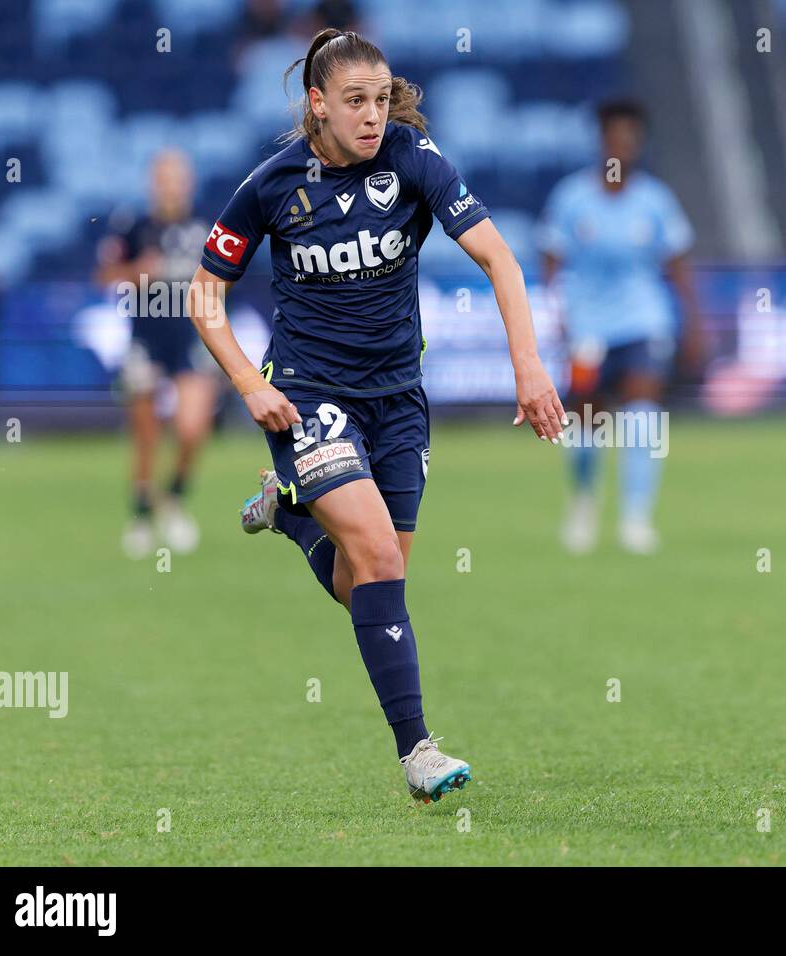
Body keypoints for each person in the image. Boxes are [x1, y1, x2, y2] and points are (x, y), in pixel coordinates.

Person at [185, 29, 565, 803]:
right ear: (316, 104)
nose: (371, 115)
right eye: (354, 101)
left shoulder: (415, 161)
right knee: (381, 564)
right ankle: (417, 751)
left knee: (368, 576)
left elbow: (501, 258)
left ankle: (293, 517)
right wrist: (247, 385)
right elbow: (203, 293)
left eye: (382, 98)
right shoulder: (271, 185)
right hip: (306, 394)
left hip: (397, 399)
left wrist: (528, 365)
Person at [539, 98, 704, 555]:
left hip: (643, 320)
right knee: (588, 421)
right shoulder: (572, 198)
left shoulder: (654, 200)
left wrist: (694, 324)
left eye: (630, 138)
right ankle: (584, 501)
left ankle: (636, 517)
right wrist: (558, 317)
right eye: (614, 137)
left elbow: (678, 264)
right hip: (588, 326)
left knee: (642, 412)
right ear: (602, 142)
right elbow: (552, 262)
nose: (622, 147)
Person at [97, 150, 217, 559]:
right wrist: (136, 273)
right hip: (145, 337)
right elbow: (105, 277)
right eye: (164, 178)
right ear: (153, 183)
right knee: (146, 435)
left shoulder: (205, 225)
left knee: (191, 428)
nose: (171, 186)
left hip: (190, 337)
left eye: (177, 178)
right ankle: (142, 513)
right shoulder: (133, 227)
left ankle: (174, 497)